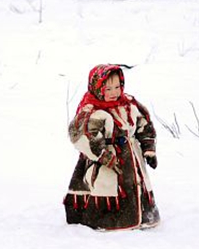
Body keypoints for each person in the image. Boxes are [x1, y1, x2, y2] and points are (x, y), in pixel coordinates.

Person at [64, 64, 160, 231]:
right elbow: (83, 135)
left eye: (117, 87)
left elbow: (144, 125)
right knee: (107, 185)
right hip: (106, 161)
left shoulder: (129, 104)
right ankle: (106, 220)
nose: (114, 92)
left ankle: (142, 215)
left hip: (132, 157)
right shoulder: (92, 110)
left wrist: (148, 148)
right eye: (108, 88)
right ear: (97, 87)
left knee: (134, 183)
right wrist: (103, 155)